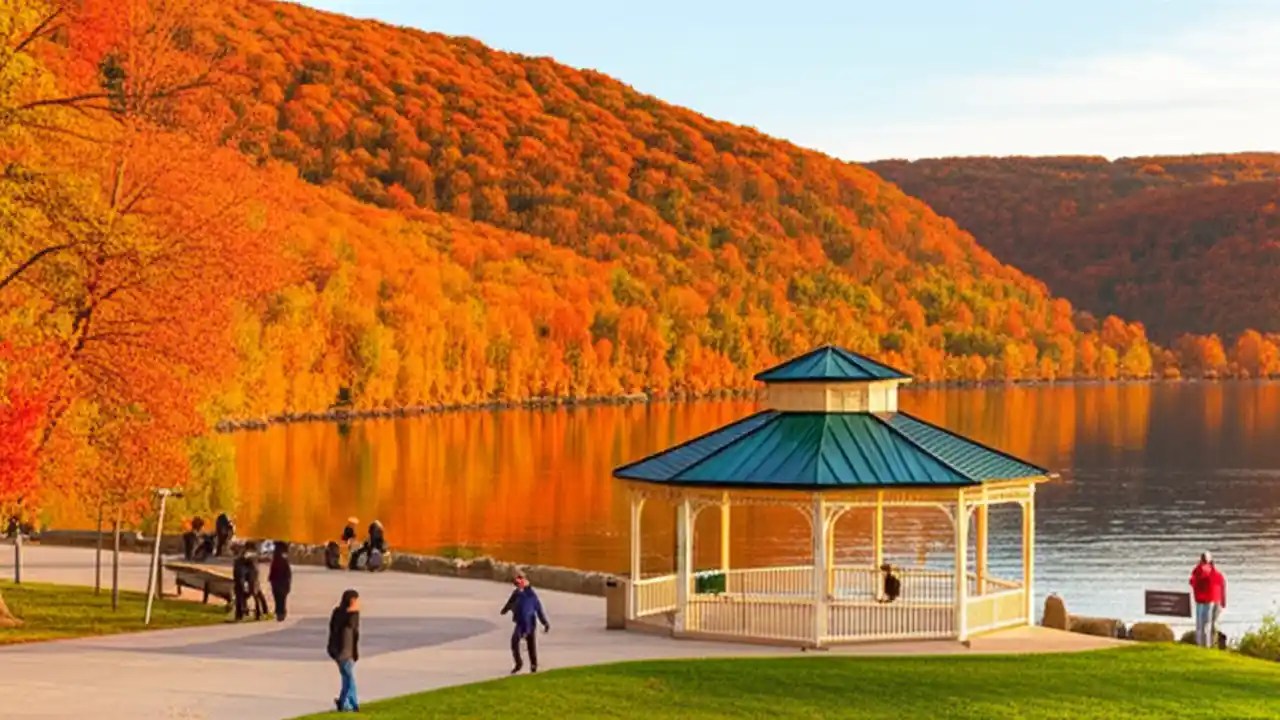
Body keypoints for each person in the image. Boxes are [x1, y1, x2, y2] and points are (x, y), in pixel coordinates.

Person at [500, 571, 550, 674]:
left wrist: (545, 623)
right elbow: (510, 602)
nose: (517, 584)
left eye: (519, 581)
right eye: (516, 583)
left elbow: (538, 609)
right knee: (514, 641)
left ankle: (533, 665)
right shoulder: (517, 593)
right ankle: (518, 663)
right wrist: (505, 610)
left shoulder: (531, 594)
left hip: (530, 622)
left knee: (531, 644)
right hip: (520, 622)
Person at [326, 589, 361, 713]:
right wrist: (353, 612)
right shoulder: (342, 614)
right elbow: (348, 625)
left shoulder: (350, 615)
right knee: (349, 678)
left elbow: (355, 633)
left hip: (348, 651)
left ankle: (346, 702)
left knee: (347, 678)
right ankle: (348, 703)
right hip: (342, 651)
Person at [1189, 552, 1227, 648]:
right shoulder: (1217, 573)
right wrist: (1223, 601)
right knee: (1212, 625)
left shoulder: (1199, 570)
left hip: (1205, 601)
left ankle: (1204, 645)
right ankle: (1211, 645)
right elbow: (1222, 585)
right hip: (1216, 600)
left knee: (1203, 625)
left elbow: (1193, 582)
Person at [269, 541, 292, 622]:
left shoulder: (280, 557)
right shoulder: (281, 557)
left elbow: (287, 571)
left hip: (279, 580)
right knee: (280, 597)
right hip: (279, 580)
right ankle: (280, 611)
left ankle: (280, 612)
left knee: (280, 597)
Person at [247, 544, 269, 620]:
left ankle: (258, 613)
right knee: (259, 593)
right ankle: (265, 610)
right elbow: (263, 558)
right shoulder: (254, 555)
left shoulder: (249, 555)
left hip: (252, 576)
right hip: (255, 575)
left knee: (255, 594)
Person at [232, 547, 253, 621]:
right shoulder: (244, 563)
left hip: (240, 583)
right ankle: (241, 613)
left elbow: (237, 574)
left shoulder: (238, 562)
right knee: (241, 598)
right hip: (241, 583)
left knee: (240, 598)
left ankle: (240, 614)